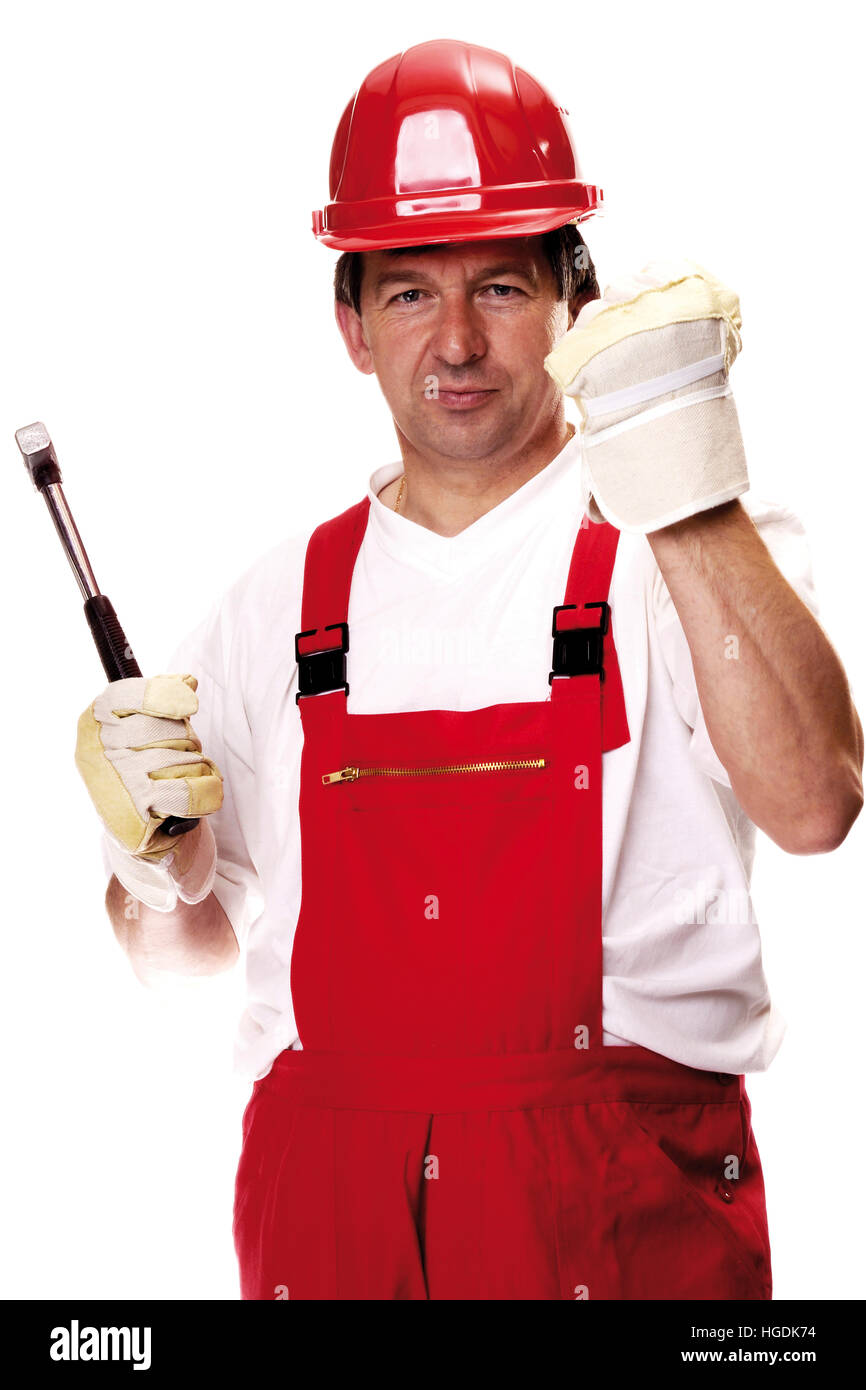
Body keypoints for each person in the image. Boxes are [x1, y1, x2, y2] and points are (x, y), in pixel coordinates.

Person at [76, 39, 863, 1301]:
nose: (454, 342)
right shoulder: (271, 607)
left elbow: (817, 802)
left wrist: (680, 476)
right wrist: (148, 867)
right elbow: (187, 964)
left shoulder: (683, 548)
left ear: (570, 298)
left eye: (498, 286)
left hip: (614, 1208)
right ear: (349, 324)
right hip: (326, 1208)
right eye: (405, 294)